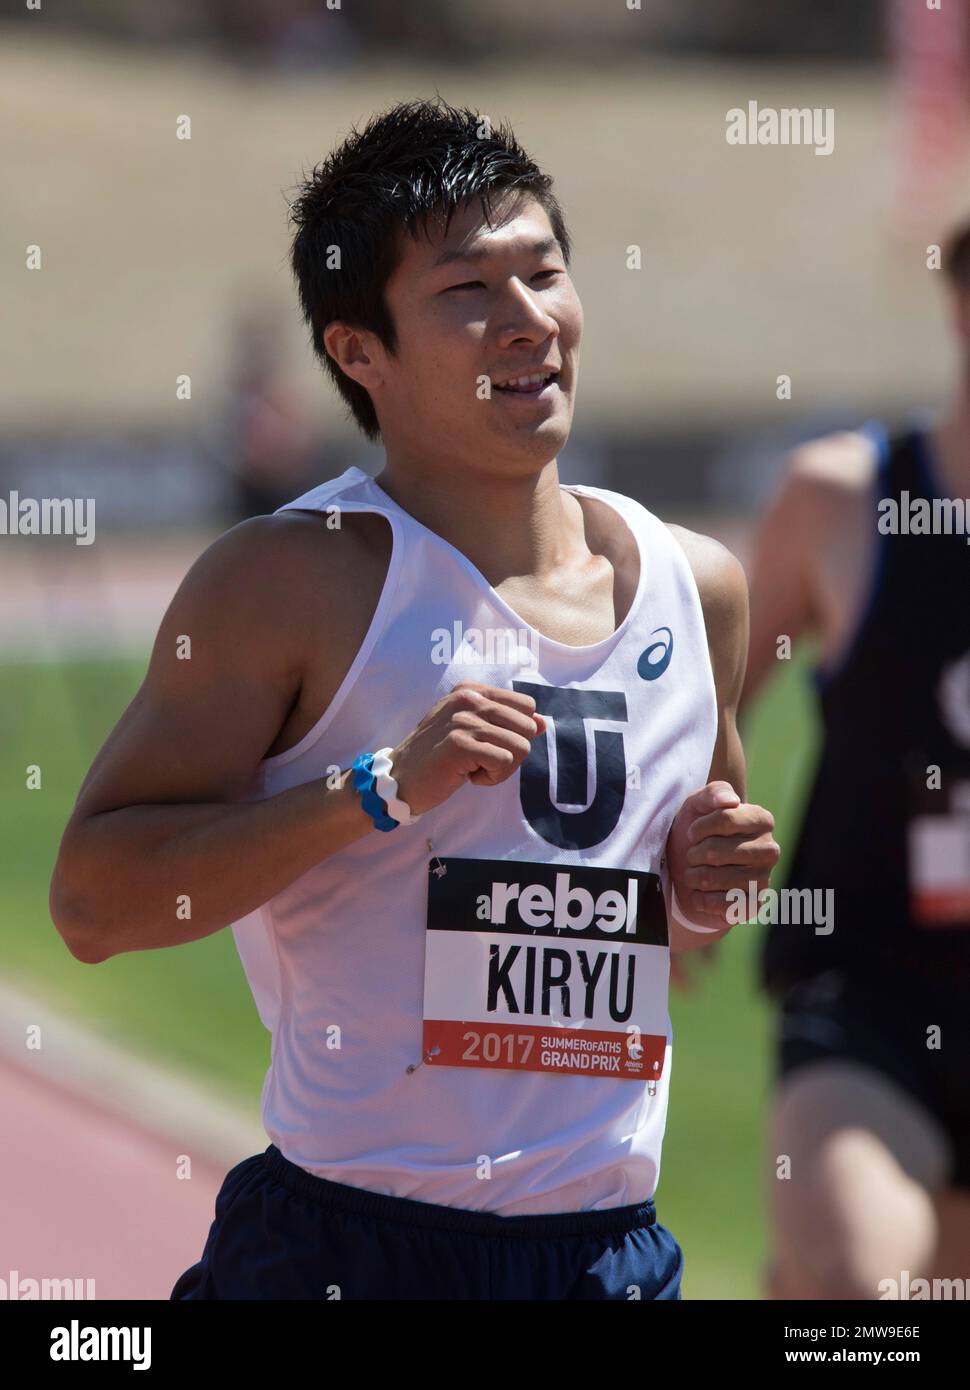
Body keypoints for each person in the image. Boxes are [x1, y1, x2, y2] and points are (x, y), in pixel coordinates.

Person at [50, 98, 777, 1301]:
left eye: (543, 272)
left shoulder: (697, 588)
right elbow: (92, 903)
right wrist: (378, 789)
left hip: (606, 1258)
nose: (528, 318)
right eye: (468, 292)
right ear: (357, 352)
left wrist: (707, 888)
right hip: (351, 1250)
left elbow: (678, 914)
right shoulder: (290, 579)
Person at [742, 222, 970, 1300]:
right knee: (858, 1306)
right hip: (867, 997)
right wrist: (677, 862)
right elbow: (698, 707)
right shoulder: (843, 499)